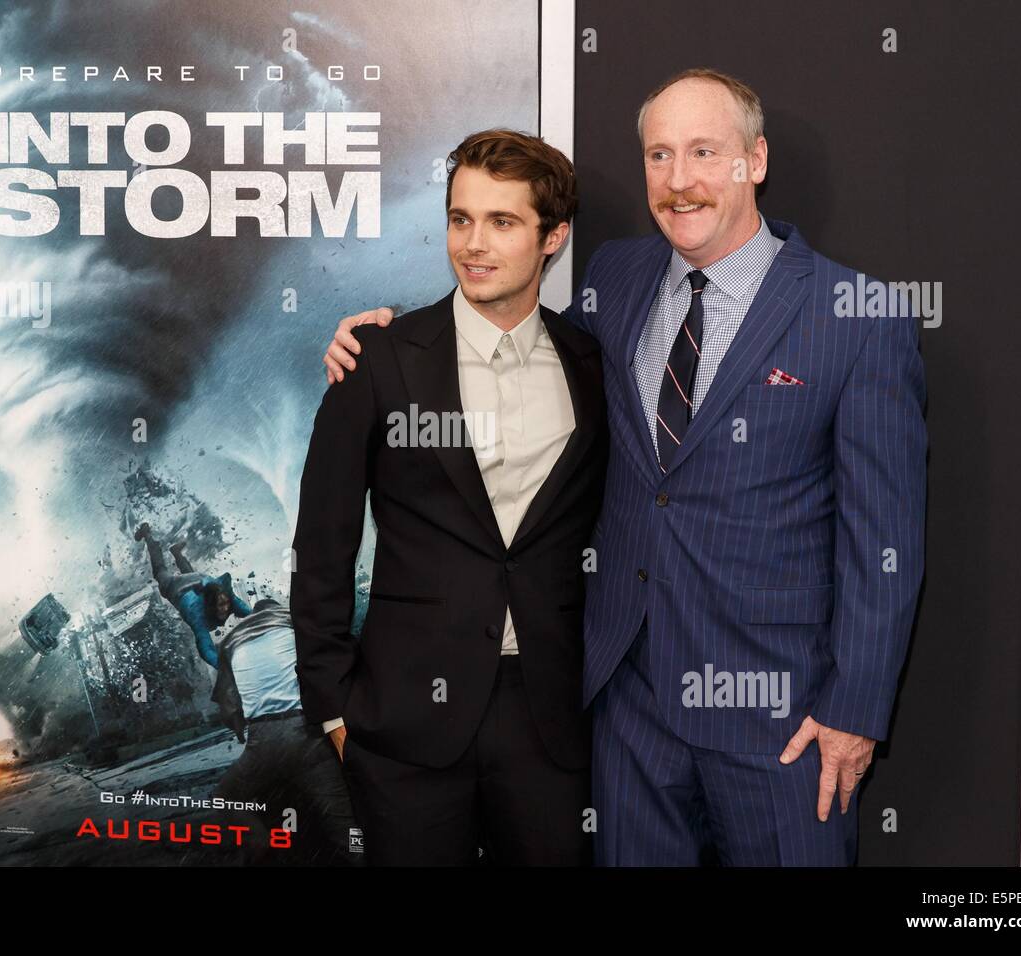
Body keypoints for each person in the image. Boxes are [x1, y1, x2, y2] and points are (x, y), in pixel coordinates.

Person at [321, 69, 928, 866]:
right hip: (625, 709)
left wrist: (855, 709)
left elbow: (885, 538)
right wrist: (387, 333)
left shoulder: (856, 315)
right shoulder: (618, 279)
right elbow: (511, 344)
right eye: (659, 155)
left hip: (782, 722)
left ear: (756, 160)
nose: (679, 181)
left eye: (704, 152)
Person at [291, 129, 606, 866]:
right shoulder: (379, 360)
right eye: (461, 219)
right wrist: (335, 709)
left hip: (549, 720)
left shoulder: (589, 362)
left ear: (553, 236)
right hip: (403, 726)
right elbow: (322, 545)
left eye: (502, 222)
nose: (473, 243)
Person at [137, 524, 360, 864]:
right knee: (164, 577)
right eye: (225, 609)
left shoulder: (235, 612)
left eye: (232, 606)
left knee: (225, 799)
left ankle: (257, 840)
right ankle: (152, 540)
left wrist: (232, 658)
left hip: (264, 738)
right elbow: (206, 652)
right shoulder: (201, 617)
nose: (232, 613)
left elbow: (229, 691)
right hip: (303, 736)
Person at [136, 523, 250, 742]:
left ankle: (177, 552)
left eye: (226, 605)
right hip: (178, 589)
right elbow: (205, 648)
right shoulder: (196, 612)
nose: (226, 609)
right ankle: (149, 536)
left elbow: (250, 613)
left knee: (193, 574)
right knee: (161, 573)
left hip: (199, 580)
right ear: (209, 607)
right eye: (221, 607)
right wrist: (225, 667)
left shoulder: (223, 594)